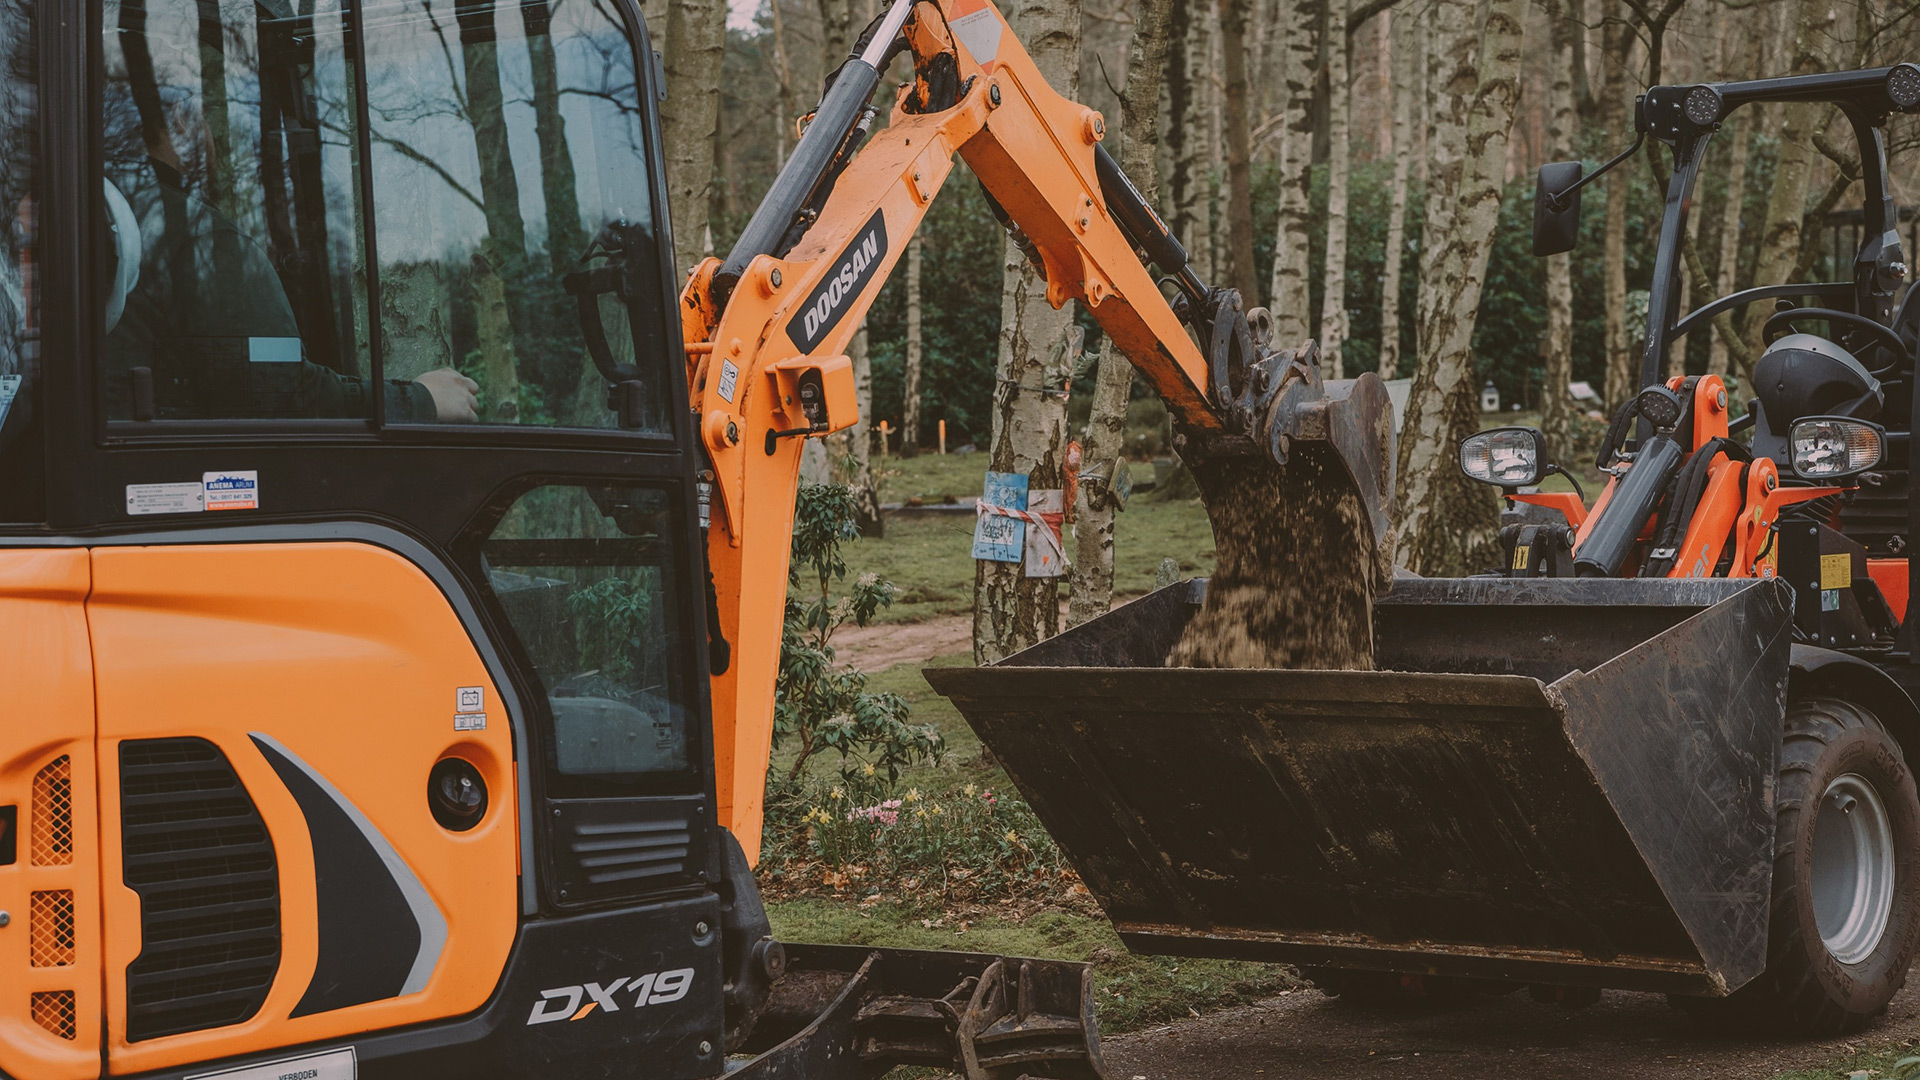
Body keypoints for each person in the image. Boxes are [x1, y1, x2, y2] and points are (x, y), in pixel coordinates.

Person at [103, 115, 478, 423]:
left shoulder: (97, 218)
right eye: (205, 119)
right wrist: (422, 401)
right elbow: (281, 392)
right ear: (182, 123)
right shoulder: (194, 236)